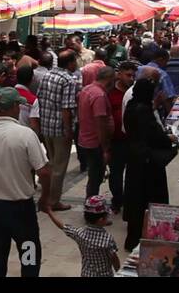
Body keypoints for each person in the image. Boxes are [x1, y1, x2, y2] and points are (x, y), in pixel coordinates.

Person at [0, 87, 52, 277]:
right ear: (15, 106)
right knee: (29, 254)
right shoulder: (26, 134)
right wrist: (45, 197)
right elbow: (44, 171)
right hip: (21, 210)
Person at [123, 78, 174, 251]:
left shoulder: (131, 106)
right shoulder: (144, 111)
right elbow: (154, 135)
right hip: (148, 163)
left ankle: (133, 238)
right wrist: (169, 139)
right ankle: (152, 237)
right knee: (151, 200)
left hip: (134, 160)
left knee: (135, 201)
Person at [36, 50, 80, 212]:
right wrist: (69, 130)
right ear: (70, 63)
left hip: (46, 126)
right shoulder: (68, 80)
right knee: (59, 168)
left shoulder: (46, 75)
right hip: (60, 129)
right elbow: (66, 108)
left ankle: (46, 196)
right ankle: (53, 201)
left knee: (52, 162)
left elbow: (39, 99)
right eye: (75, 61)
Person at [44, 195, 120, 277]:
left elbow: (62, 226)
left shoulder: (79, 233)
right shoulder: (107, 239)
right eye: (107, 216)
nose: (108, 218)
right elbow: (114, 259)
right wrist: (119, 272)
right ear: (101, 220)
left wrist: (50, 212)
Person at [78, 66, 115, 204]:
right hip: (95, 143)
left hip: (86, 139)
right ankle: (91, 206)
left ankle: (90, 203)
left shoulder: (86, 89)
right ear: (109, 80)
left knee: (94, 176)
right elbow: (100, 123)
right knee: (95, 177)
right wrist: (105, 148)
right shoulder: (99, 95)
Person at [107, 61, 136, 215]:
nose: (131, 78)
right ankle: (117, 201)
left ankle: (130, 201)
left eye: (133, 76)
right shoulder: (110, 93)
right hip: (116, 140)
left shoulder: (134, 92)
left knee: (132, 173)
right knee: (116, 173)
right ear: (119, 75)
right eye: (128, 75)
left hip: (131, 140)